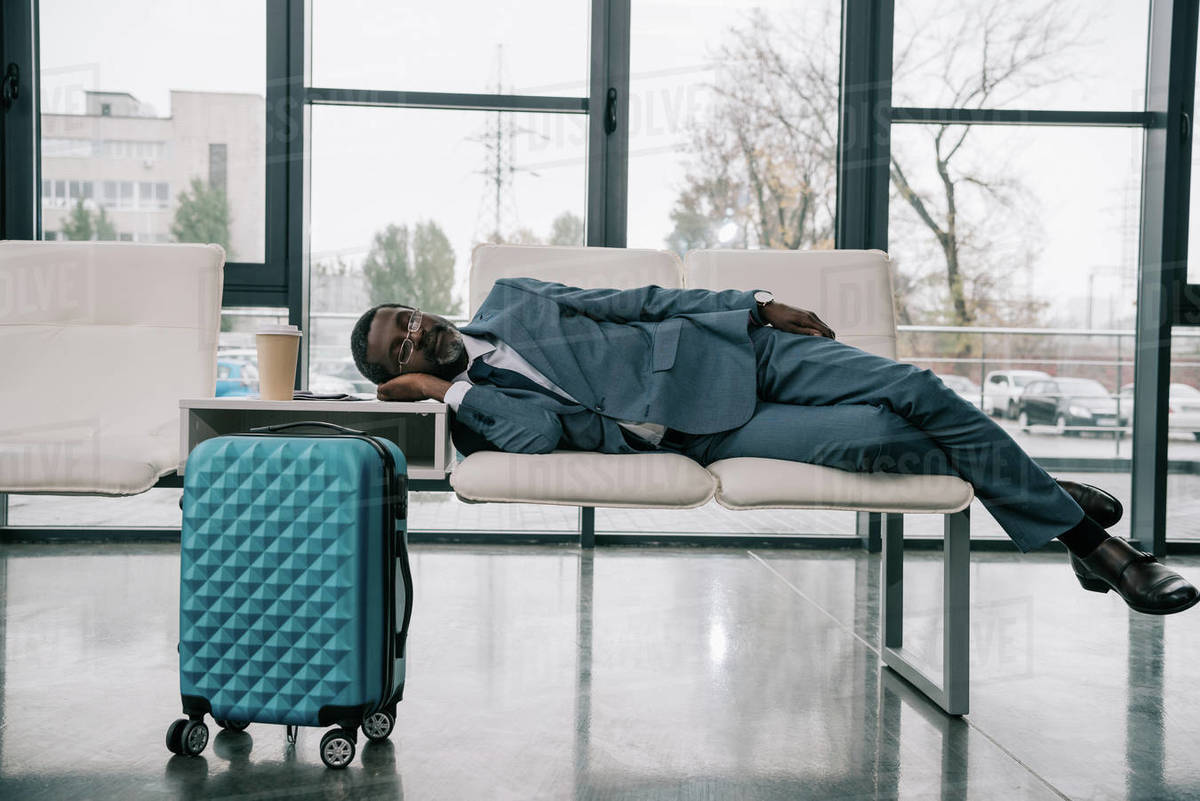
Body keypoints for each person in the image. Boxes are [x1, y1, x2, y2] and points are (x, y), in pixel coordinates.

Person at [350, 277, 1199, 616]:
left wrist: (756, 306)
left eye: (409, 315)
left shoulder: (517, 299)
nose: (416, 331)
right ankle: (1050, 495)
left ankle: (1100, 549)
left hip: (733, 352)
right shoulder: (476, 412)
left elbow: (643, 300)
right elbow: (538, 435)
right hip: (715, 429)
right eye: (402, 346)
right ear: (400, 374)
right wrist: (445, 391)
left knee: (917, 389)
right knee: (884, 435)